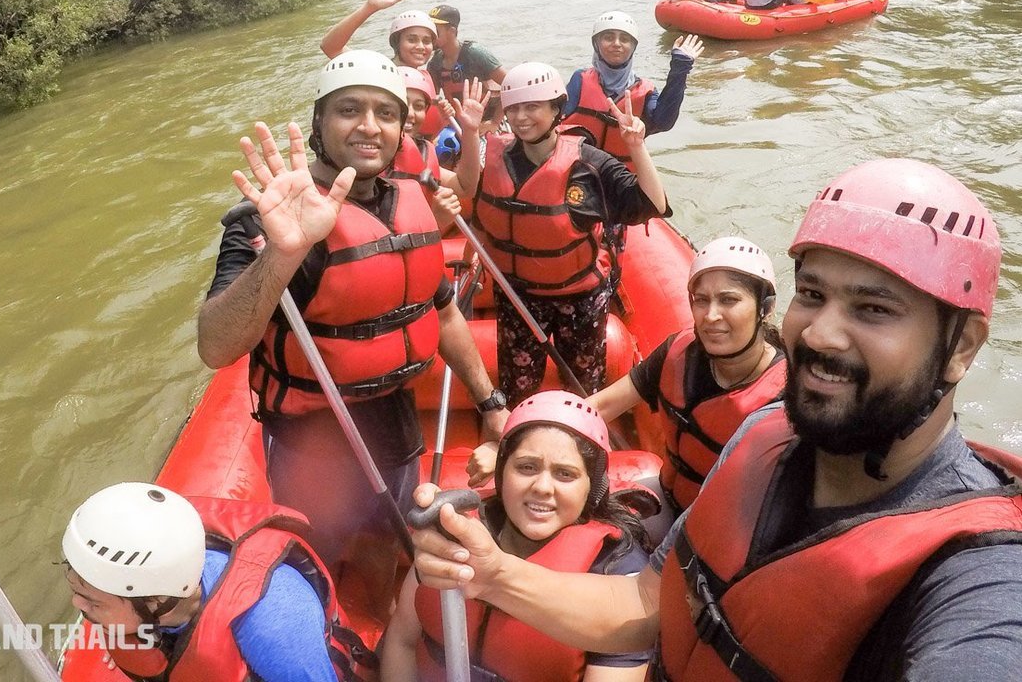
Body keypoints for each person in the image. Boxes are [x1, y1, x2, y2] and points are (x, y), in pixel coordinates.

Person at [411, 158, 1022, 681]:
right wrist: (490, 575)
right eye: (812, 294)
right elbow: (647, 601)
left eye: (874, 307)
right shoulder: (762, 439)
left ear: (962, 345)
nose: (822, 332)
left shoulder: (978, 577)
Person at [198, 50, 507, 612]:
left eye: (385, 114)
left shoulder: (409, 199)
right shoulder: (269, 216)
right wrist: (283, 256)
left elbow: (442, 313)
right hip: (311, 441)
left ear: (401, 128)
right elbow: (216, 347)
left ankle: (379, 608)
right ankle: (320, 624)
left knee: (388, 535)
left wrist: (490, 401)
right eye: (349, 110)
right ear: (320, 124)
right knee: (315, 551)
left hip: (394, 417)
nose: (369, 126)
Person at [381, 392, 651, 681]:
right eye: (526, 467)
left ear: (592, 488)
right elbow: (403, 641)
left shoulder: (617, 568)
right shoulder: (453, 528)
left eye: (565, 474)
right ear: (502, 474)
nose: (542, 487)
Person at [474, 62, 670, 402]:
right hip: (517, 294)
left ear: (556, 110)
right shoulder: (494, 155)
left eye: (532, 107)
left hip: (579, 297)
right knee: (517, 385)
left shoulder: (589, 162)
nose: (521, 118)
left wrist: (637, 146)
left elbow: (650, 205)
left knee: (582, 385)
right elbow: (477, 212)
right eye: (514, 108)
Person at [62, 482, 367, 681]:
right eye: (78, 589)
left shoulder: (274, 628)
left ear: (155, 600)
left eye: (93, 602)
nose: (77, 604)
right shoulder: (157, 593)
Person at [586, 236, 786, 515]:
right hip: (668, 498)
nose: (711, 315)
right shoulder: (679, 352)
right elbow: (601, 406)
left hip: (721, 532)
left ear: (765, 308)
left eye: (729, 300)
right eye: (701, 300)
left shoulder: (786, 398)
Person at [560, 11, 705, 166]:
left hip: (621, 179)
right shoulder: (579, 80)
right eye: (608, 37)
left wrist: (679, 68)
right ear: (597, 43)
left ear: (633, 47)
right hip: (579, 174)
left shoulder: (645, 91)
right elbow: (553, 122)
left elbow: (664, 123)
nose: (616, 43)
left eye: (624, 39)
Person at [388, 65, 483, 229]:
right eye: (402, 103)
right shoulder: (366, 159)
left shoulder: (421, 152)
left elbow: (465, 187)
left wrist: (471, 131)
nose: (410, 113)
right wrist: (435, 220)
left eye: (418, 106)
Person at [320, 0, 434, 70]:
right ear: (397, 42)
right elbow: (330, 47)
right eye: (411, 40)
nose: (420, 46)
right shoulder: (378, 69)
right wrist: (369, 8)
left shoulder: (425, 76)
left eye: (426, 41)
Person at [426, 4, 506, 103]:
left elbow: (510, 85)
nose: (430, 36)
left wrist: (495, 119)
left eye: (435, 32)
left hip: (488, 116)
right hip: (457, 117)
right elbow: (431, 99)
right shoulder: (435, 63)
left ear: (452, 31)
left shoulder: (475, 53)